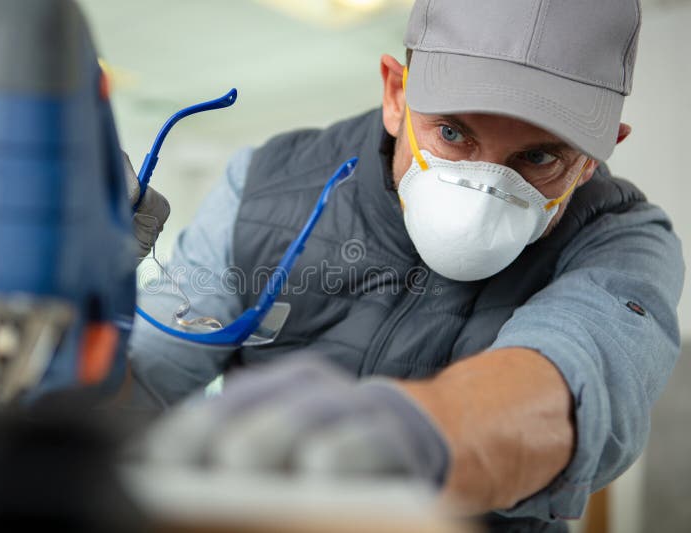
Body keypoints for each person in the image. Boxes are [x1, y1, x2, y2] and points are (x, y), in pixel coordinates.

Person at [127, 0, 685, 531]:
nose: (481, 193)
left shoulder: (619, 237)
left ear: (593, 158)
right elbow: (145, 381)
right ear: (397, 94)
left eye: (538, 157)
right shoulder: (264, 185)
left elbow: (565, 387)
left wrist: (421, 436)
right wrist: (73, 307)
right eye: (452, 133)